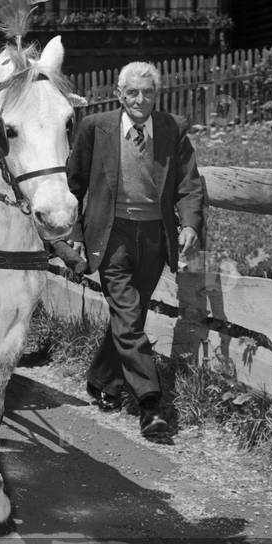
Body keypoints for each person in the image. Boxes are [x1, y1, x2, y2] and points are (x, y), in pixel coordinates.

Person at [66, 61, 204, 441]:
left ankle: (102, 380)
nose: (140, 100)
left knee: (132, 316)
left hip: (155, 236)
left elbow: (189, 184)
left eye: (148, 93)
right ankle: (150, 404)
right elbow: (72, 184)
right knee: (128, 316)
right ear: (118, 92)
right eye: (133, 92)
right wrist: (74, 231)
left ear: (156, 95)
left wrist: (189, 223)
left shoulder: (172, 129)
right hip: (111, 234)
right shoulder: (96, 128)